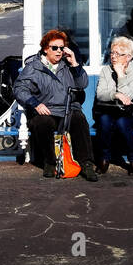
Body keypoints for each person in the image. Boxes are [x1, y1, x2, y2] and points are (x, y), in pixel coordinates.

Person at [13, 29, 98, 181]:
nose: (59, 51)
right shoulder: (33, 67)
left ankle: (86, 164)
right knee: (42, 123)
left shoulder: (67, 66)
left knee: (79, 119)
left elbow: (83, 83)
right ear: (45, 49)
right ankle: (50, 162)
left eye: (61, 48)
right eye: (54, 48)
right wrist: (35, 104)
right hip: (45, 110)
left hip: (67, 109)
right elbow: (19, 89)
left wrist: (74, 63)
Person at [93, 37, 133, 175]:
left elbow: (127, 98)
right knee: (104, 120)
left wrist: (120, 75)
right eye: (112, 53)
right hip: (109, 112)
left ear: (128, 57)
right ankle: (104, 158)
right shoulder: (105, 71)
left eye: (118, 54)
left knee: (122, 122)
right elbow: (100, 94)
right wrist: (115, 95)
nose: (113, 57)